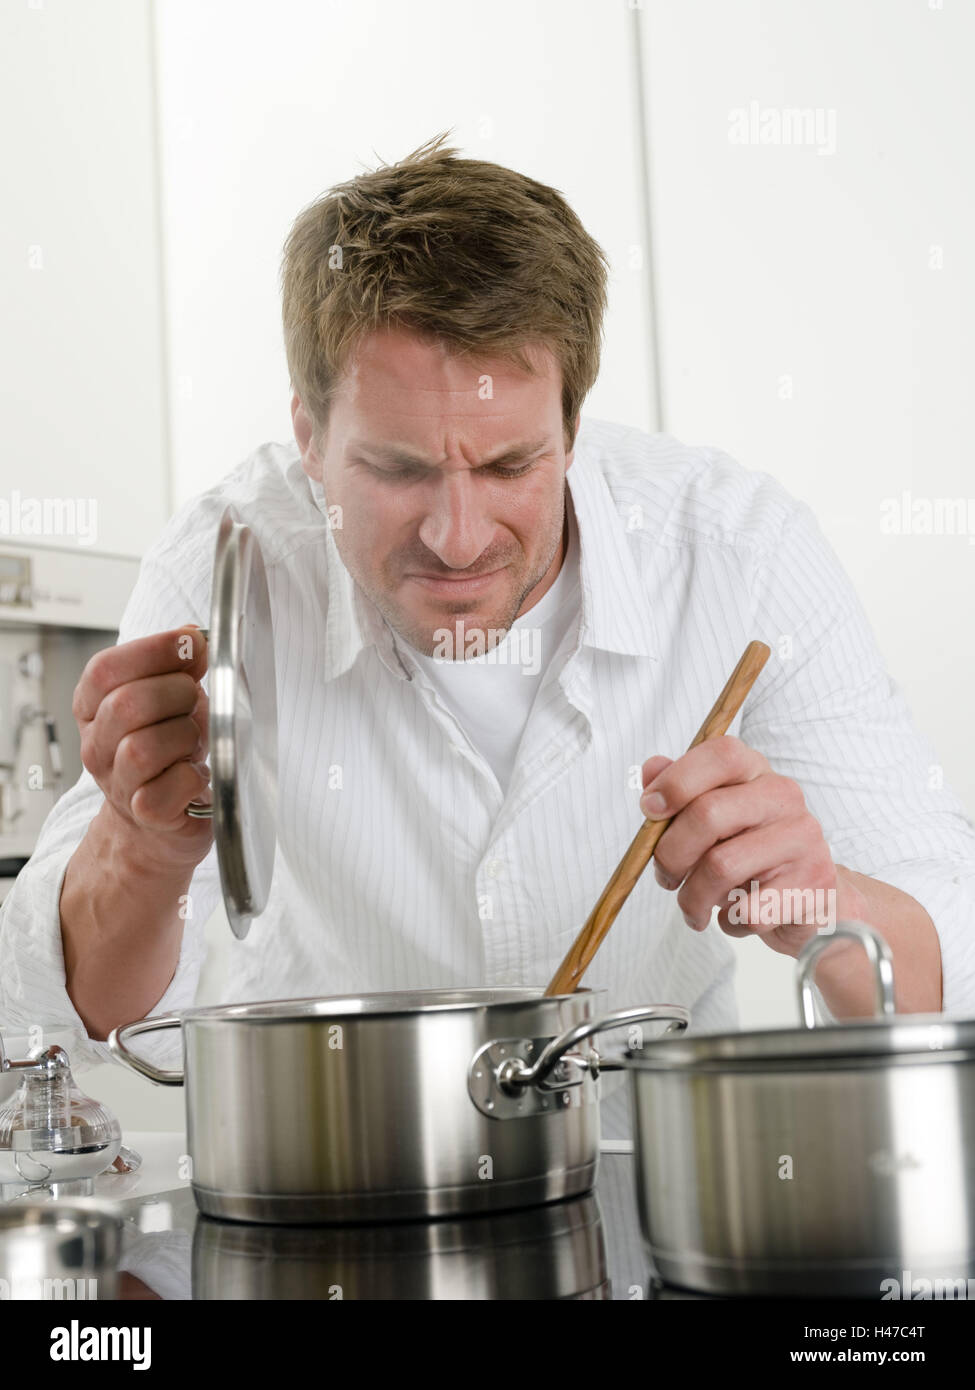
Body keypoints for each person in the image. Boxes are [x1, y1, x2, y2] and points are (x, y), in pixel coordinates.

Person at [2, 133, 974, 1145]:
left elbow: (953, 978)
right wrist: (142, 848)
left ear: (574, 424)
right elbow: (56, 1025)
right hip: (324, 1191)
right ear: (307, 436)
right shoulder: (222, 563)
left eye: (510, 465)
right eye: (397, 468)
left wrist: (820, 898)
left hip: (652, 1194)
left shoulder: (738, 549)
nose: (456, 538)